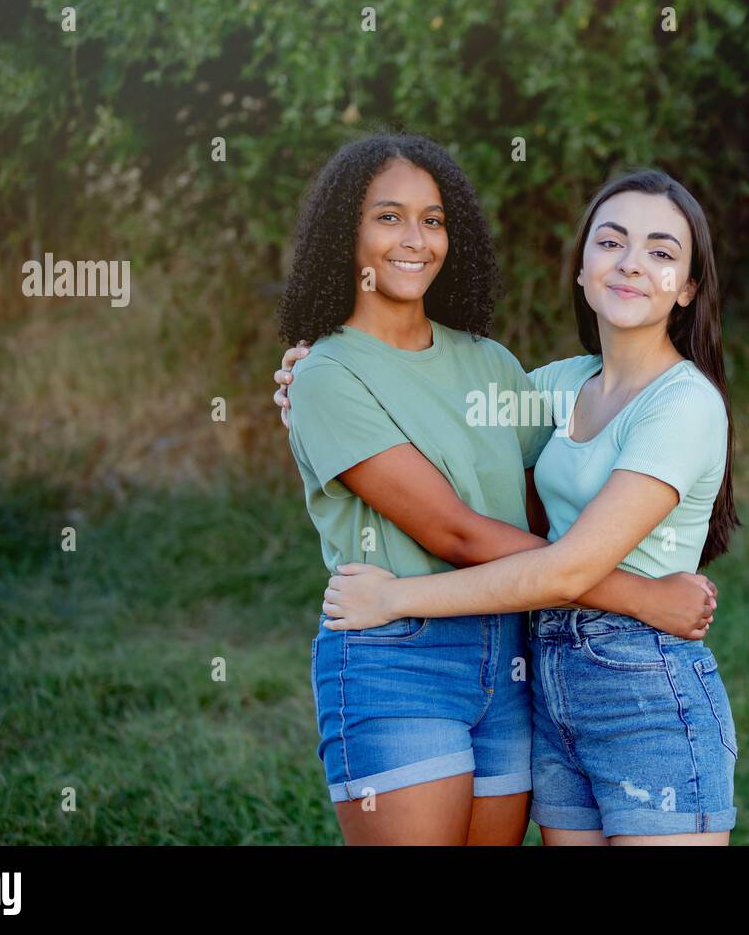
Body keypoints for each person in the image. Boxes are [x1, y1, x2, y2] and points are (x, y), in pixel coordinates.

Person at [276, 135, 718, 845]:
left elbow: (555, 493)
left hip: (510, 660)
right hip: (398, 655)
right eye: (387, 217)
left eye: (433, 219)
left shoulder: (493, 365)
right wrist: (642, 596)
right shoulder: (329, 374)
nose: (414, 240)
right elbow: (453, 531)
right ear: (345, 233)